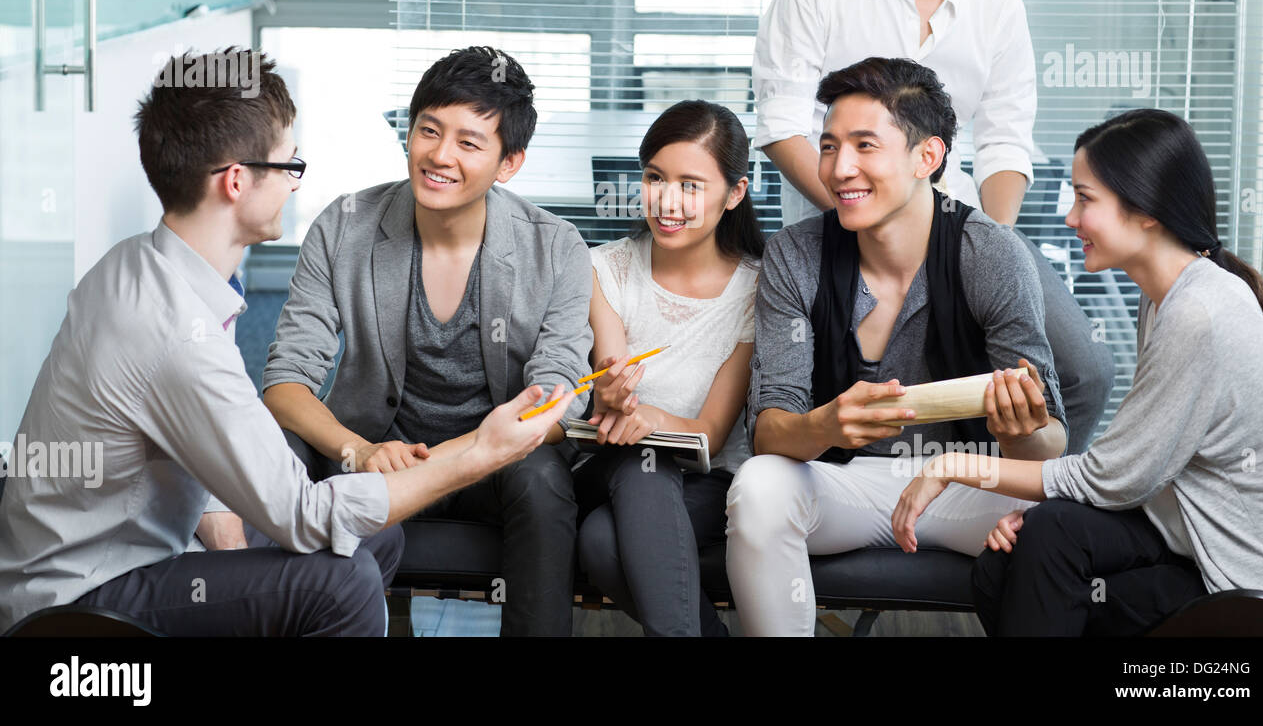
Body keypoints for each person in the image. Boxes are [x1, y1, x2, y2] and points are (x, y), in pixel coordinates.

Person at [0, 48, 573, 636]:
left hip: (139, 553)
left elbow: (196, 432)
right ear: (236, 181)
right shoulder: (177, 332)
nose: (297, 183)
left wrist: (223, 520)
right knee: (342, 579)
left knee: (369, 538)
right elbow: (303, 515)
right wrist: (480, 452)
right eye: (288, 165)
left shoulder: (145, 268)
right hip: (83, 599)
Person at [753, 0, 1113, 451]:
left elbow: (1005, 140)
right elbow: (782, 123)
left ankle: (1012, 512)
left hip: (959, 223)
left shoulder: (996, 6)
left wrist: (983, 252)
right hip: (833, 220)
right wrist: (863, 208)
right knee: (849, 389)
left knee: (1084, 372)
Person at [892, 108, 1263, 635]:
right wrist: (1046, 511)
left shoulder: (1198, 314)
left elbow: (1109, 478)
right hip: (1189, 533)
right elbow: (1139, 466)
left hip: (1242, 580)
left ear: (1146, 208)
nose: (1070, 219)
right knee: (1012, 559)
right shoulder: (1164, 301)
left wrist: (948, 466)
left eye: (1085, 199)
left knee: (1041, 558)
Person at [725, 56, 1069, 637]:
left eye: (865, 145)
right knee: (758, 488)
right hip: (842, 483)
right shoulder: (795, 254)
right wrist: (827, 424)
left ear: (926, 157)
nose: (840, 168)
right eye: (829, 146)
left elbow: (1050, 446)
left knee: (1063, 518)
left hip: (963, 484)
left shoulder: (992, 254)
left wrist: (1020, 429)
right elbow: (769, 430)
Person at [261, 46, 592, 637]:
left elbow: (559, 397)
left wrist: (463, 456)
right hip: (373, 452)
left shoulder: (556, 246)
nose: (439, 156)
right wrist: (358, 453)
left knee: (542, 476)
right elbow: (285, 383)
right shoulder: (345, 225)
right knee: (283, 443)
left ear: (509, 162)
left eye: (469, 143)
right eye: (428, 131)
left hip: (496, 464)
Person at [577, 100, 763, 636]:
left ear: (735, 194)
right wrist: (609, 400)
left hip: (708, 479)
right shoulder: (606, 268)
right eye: (655, 178)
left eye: (691, 184)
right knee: (640, 465)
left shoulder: (758, 288)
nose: (667, 201)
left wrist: (649, 419)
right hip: (613, 465)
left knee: (599, 540)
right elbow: (610, 382)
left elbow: (710, 433)